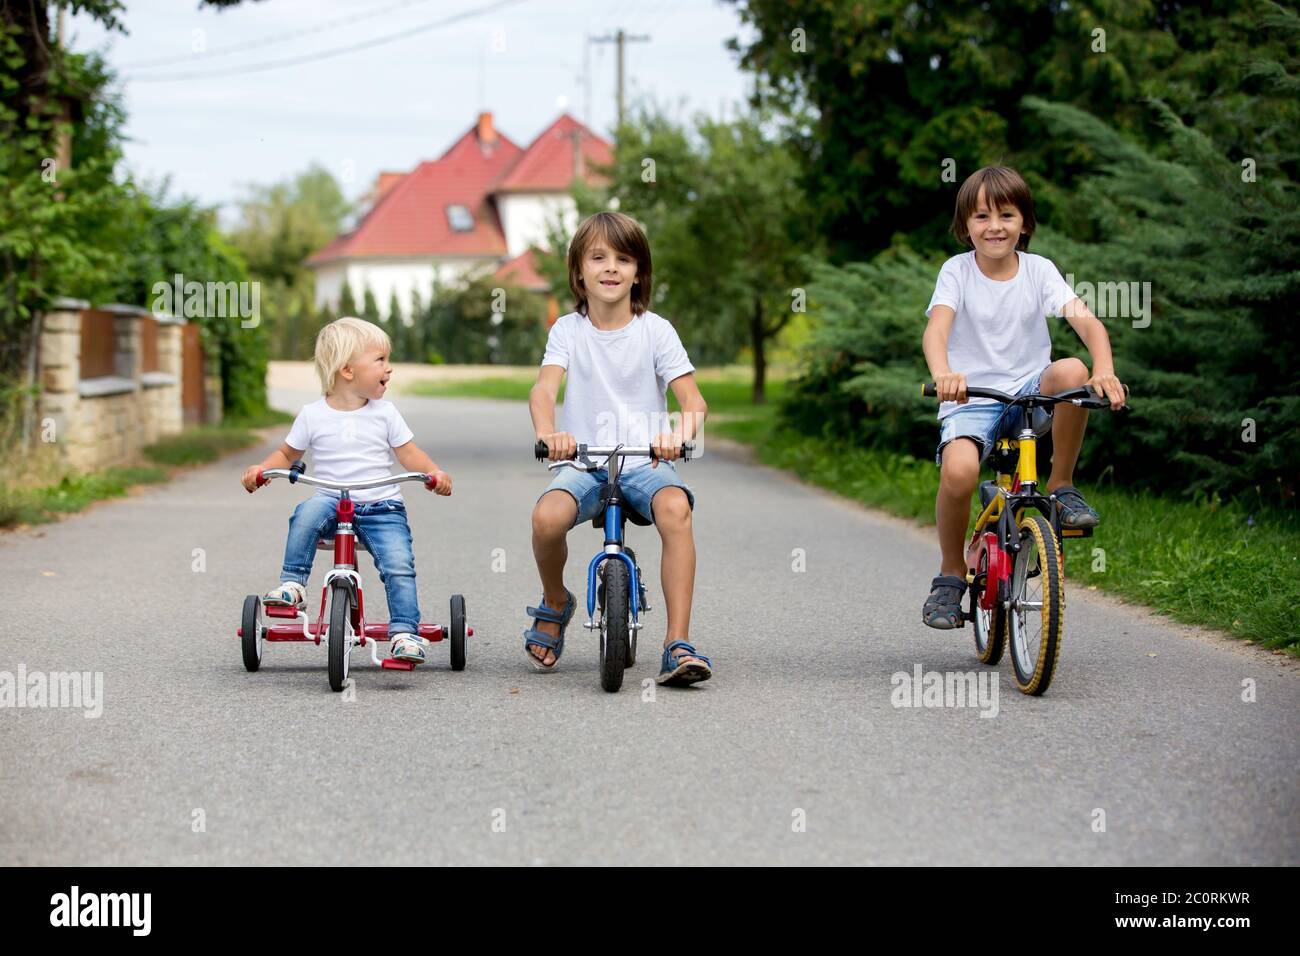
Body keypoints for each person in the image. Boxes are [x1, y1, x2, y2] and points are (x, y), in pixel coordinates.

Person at [921, 166, 1127, 629]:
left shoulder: (1040, 271)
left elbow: (1089, 323)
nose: (994, 226)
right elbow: (936, 330)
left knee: (1073, 370)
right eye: (981, 217)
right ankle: (951, 573)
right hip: (972, 397)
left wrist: (1105, 370)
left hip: (1028, 395)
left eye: (1006, 215)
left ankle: (1061, 483)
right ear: (965, 226)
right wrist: (944, 374)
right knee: (959, 472)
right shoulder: (956, 272)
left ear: (1025, 223)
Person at [525, 211, 713, 686]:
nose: (611, 267)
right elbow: (544, 391)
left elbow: (692, 401)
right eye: (598, 257)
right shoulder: (568, 331)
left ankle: (677, 643)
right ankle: (555, 601)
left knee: (676, 509)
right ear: (578, 271)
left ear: (639, 272)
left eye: (623, 258)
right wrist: (550, 434)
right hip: (585, 462)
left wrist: (678, 434)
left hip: (644, 460)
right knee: (547, 518)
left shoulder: (656, 331)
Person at [241, 316, 452, 663]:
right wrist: (263, 469)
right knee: (304, 514)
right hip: (330, 501)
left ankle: (404, 633)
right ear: (348, 371)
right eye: (380, 360)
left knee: (398, 564)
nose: (390, 368)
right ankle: (292, 585)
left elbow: (409, 454)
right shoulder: (312, 415)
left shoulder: (386, 414)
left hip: (381, 506)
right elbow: (286, 454)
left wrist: (432, 473)